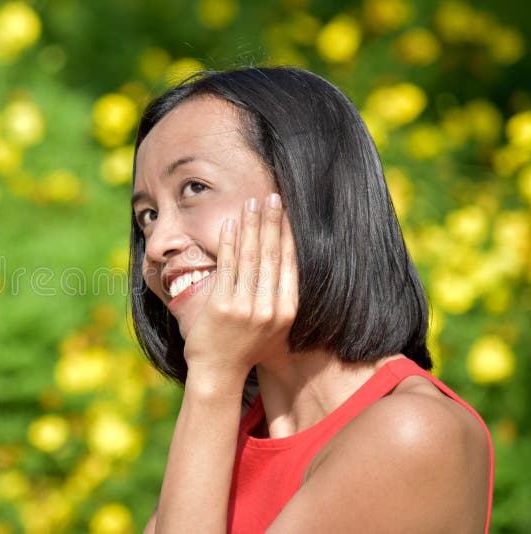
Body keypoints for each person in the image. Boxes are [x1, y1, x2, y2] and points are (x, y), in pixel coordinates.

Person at [128, 67, 494, 533]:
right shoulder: (224, 435)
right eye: (148, 215)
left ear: (309, 193)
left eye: (194, 188)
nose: (157, 243)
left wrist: (214, 376)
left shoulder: (414, 432)